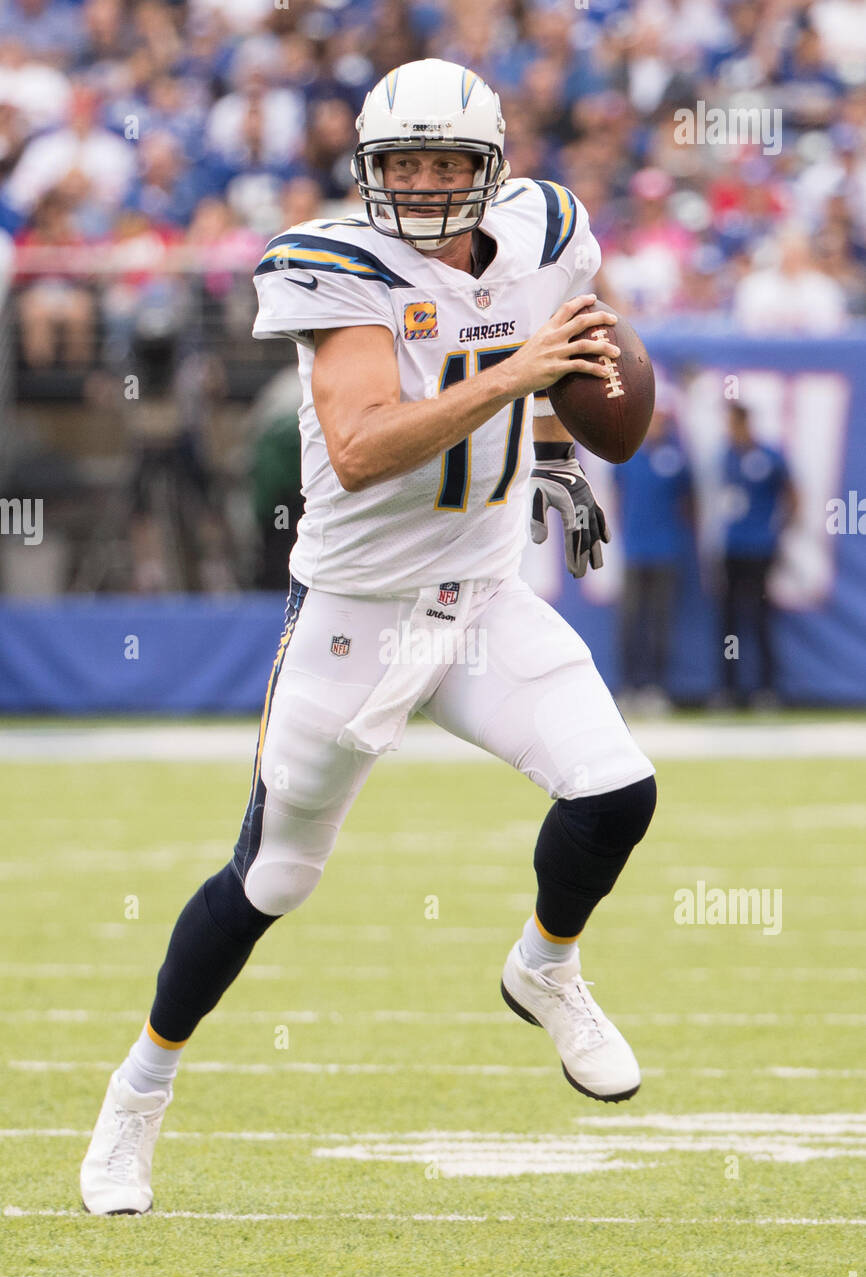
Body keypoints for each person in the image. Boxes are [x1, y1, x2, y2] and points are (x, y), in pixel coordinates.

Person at [80, 59, 657, 1216]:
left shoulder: (544, 228)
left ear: (490, 169)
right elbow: (360, 443)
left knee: (615, 788)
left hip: (482, 600)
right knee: (272, 878)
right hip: (355, 619)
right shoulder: (335, 266)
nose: (428, 183)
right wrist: (518, 375)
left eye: (450, 162)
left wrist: (559, 429)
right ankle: (137, 1095)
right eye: (405, 164)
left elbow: (597, 380)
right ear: (369, 170)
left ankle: (543, 965)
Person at [616, 390, 694, 708]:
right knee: (630, 621)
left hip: (665, 551)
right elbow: (619, 498)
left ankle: (656, 687)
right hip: (635, 550)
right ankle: (629, 686)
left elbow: (690, 504)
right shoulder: (628, 457)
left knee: (660, 622)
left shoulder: (676, 460)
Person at [718, 402, 796, 707]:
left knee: (761, 617)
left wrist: (776, 532)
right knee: (729, 621)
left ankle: (766, 688)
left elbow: (793, 495)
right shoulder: (726, 457)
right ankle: (729, 688)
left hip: (760, 549)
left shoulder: (769, 456)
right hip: (731, 548)